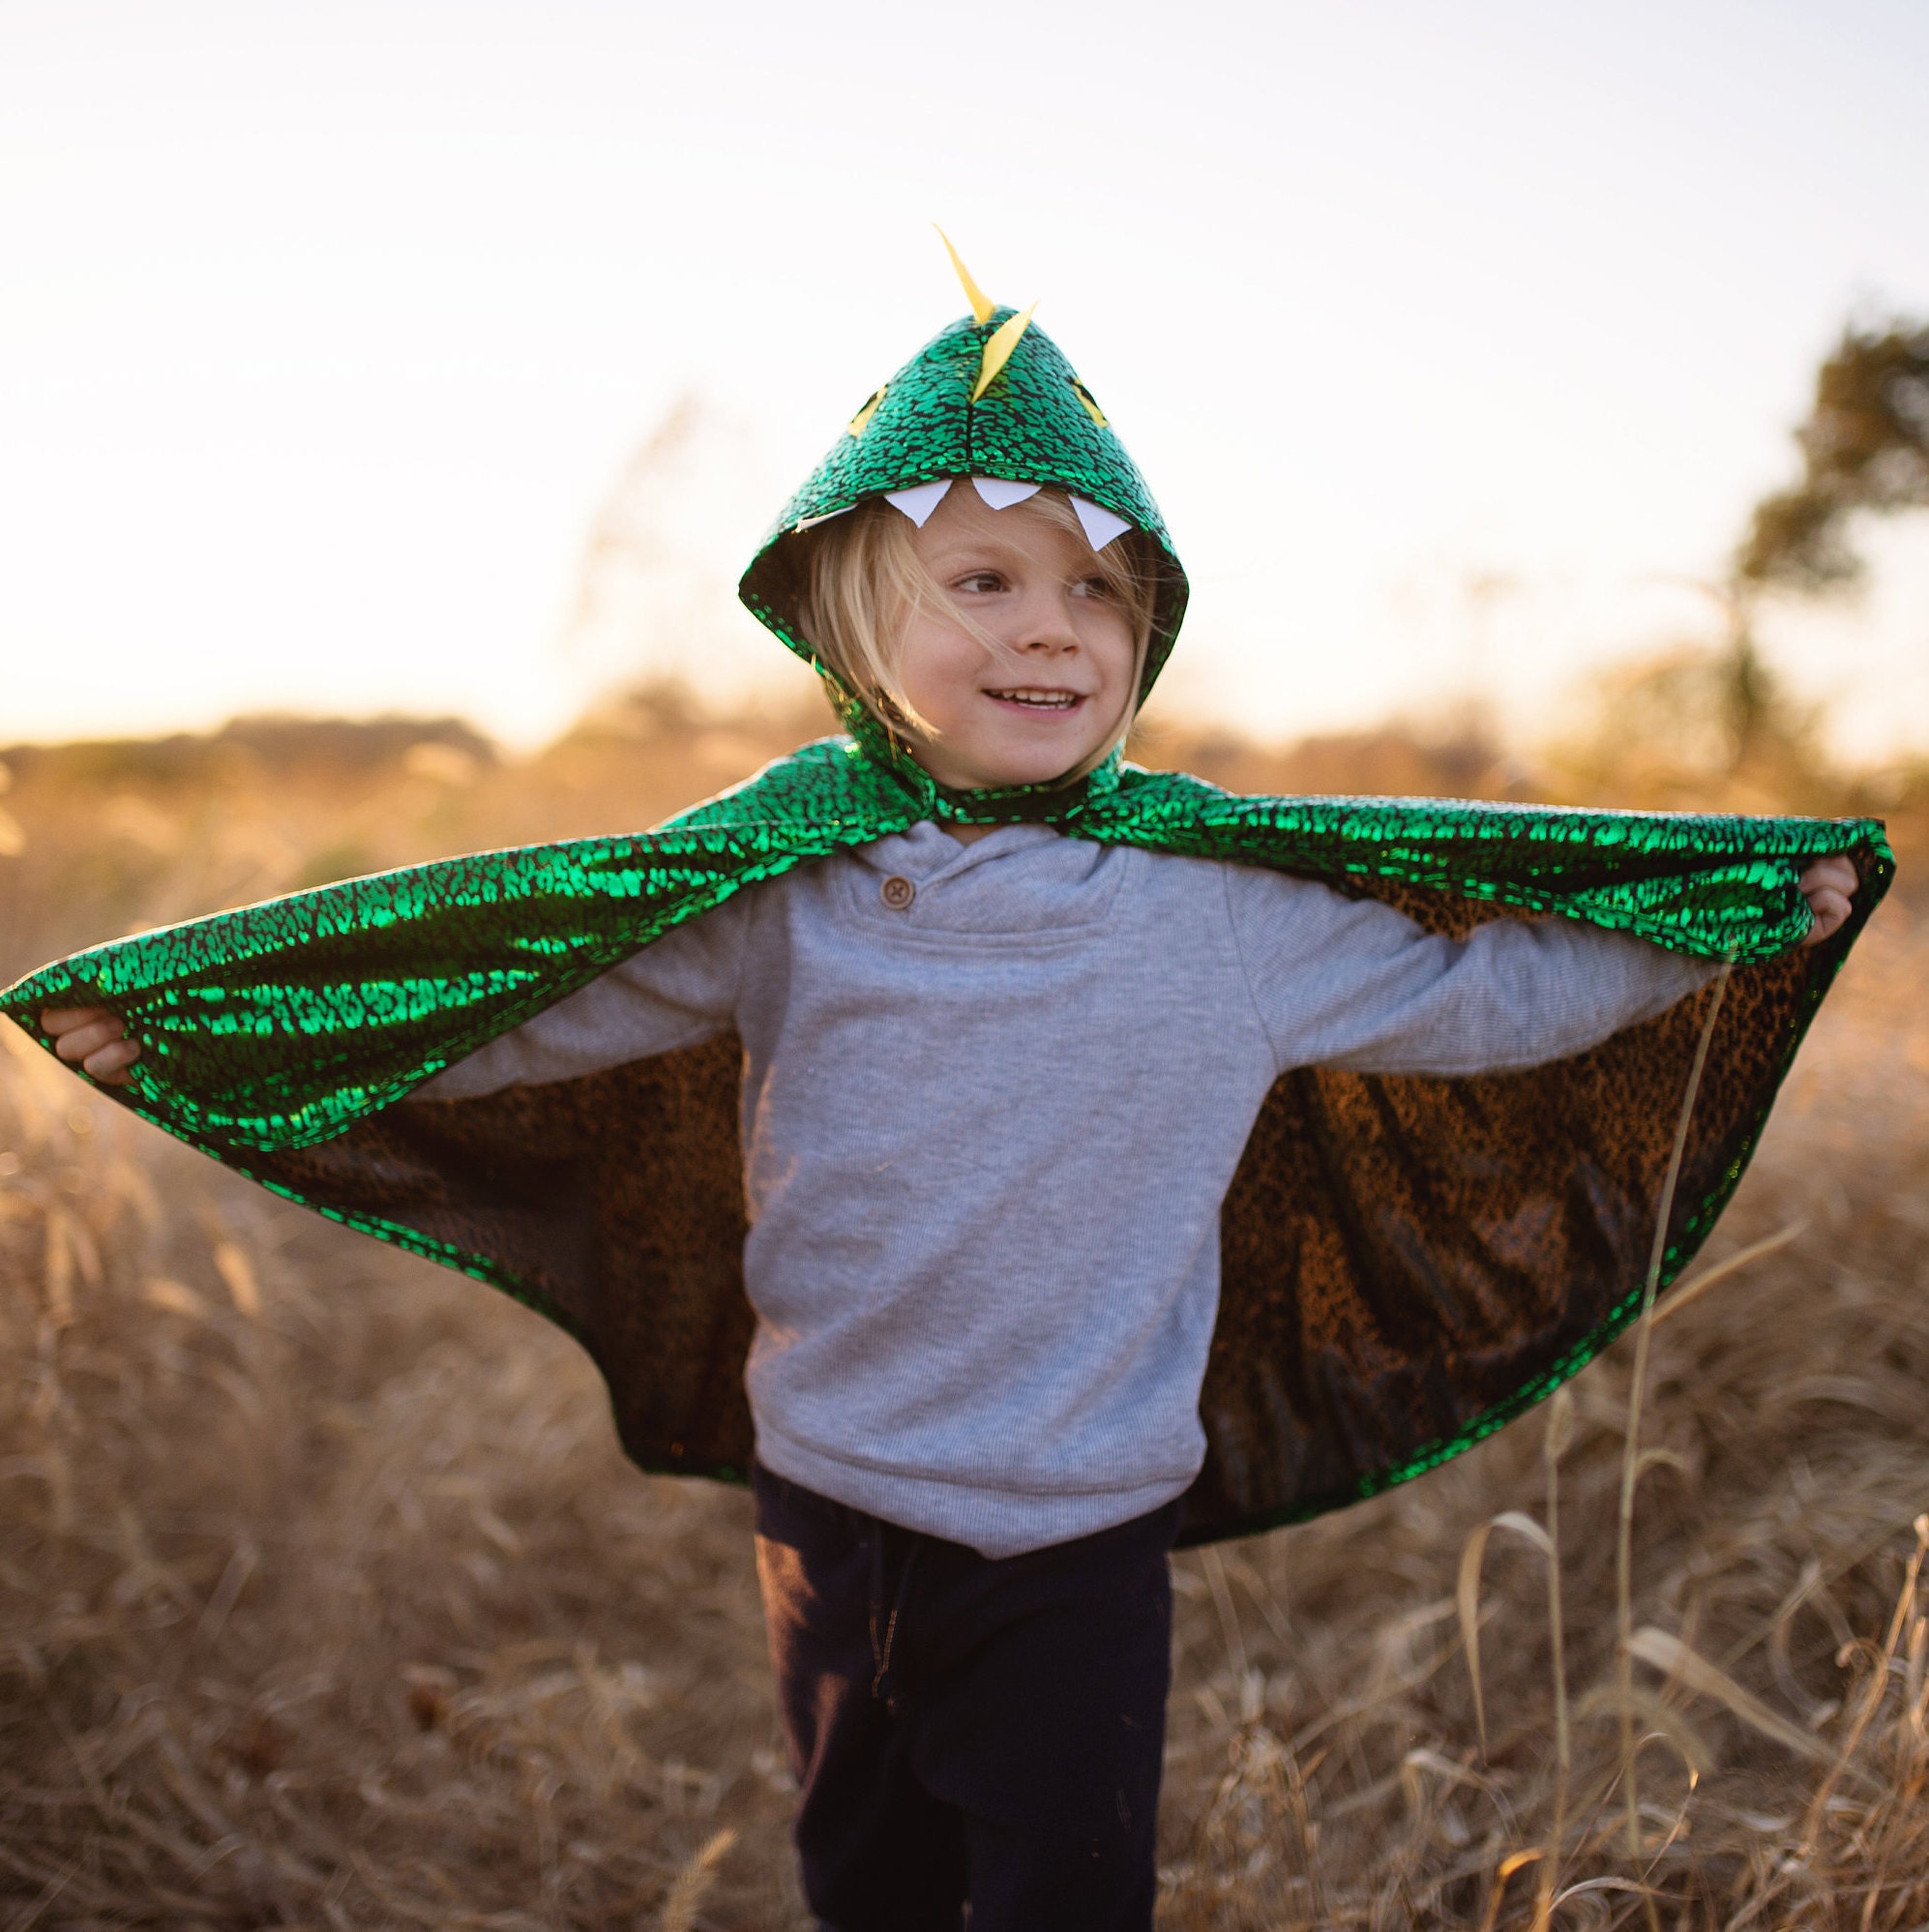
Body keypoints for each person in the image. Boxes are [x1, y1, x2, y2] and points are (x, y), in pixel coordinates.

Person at [19, 250, 1877, 1930]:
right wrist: (214, 1032)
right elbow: (524, 994)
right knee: (868, 1880)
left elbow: (1493, 992)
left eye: (1094, 586)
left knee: (1062, 1896)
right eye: (979, 581)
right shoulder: (789, 894)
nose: (1049, 626)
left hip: (1074, 1530)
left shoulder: (1215, 910)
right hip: (824, 1504)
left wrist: (1724, 928)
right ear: (848, 633)